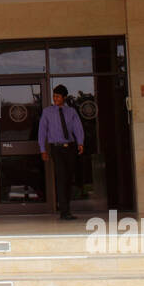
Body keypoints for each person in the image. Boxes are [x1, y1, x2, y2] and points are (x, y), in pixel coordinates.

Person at [38, 84, 84, 219]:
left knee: (69, 178)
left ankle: (67, 209)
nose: (55, 98)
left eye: (58, 96)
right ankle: (64, 212)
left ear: (64, 97)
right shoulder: (47, 112)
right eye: (54, 96)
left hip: (69, 147)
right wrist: (43, 149)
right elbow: (42, 132)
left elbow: (77, 128)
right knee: (61, 178)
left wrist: (80, 142)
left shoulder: (71, 112)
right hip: (56, 148)